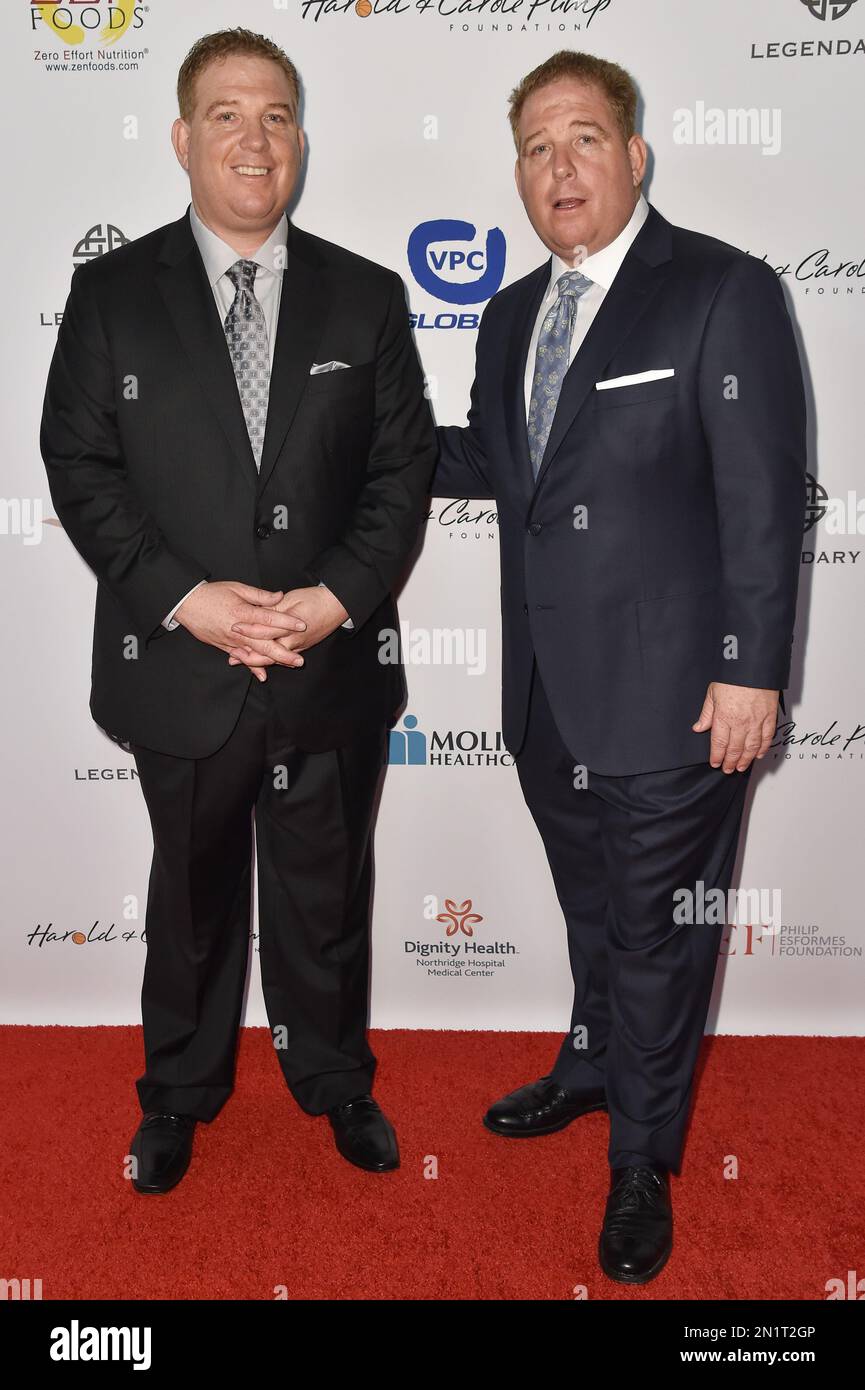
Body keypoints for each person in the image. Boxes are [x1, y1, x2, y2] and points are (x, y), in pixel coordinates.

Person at [40, 27, 436, 1193]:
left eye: (274, 116)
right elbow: (78, 465)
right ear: (181, 137)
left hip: (328, 661)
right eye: (225, 114)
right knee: (192, 896)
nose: (253, 139)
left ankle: (335, 1080)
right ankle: (178, 1095)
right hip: (182, 667)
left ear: (301, 142)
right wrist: (186, 601)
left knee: (326, 893)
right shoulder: (111, 293)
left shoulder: (366, 298)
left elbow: (400, 474)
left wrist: (331, 602)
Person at [432, 49, 805, 1283]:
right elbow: (498, 464)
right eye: (535, 148)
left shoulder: (718, 289)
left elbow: (761, 498)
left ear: (634, 154)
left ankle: (642, 1163)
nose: (558, 166)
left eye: (583, 138)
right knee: (598, 915)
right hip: (545, 698)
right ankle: (592, 1066)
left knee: (656, 937)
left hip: (675, 701)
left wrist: (751, 669)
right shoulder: (504, 315)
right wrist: (343, 444)